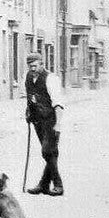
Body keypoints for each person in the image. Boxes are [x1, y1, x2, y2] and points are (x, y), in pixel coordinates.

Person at [24, 52, 64, 196]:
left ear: (42, 64)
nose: (32, 69)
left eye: (35, 66)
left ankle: (58, 185)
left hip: (50, 120)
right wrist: (28, 112)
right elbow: (30, 97)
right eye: (30, 66)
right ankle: (44, 185)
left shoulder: (51, 79)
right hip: (37, 120)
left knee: (47, 151)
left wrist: (58, 124)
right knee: (50, 153)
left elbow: (58, 104)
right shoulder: (29, 77)